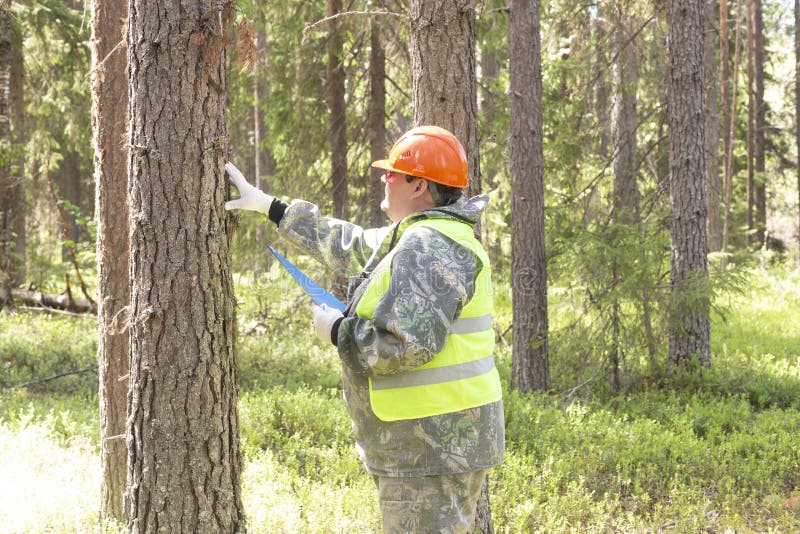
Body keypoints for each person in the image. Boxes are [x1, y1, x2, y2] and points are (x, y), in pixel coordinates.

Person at [225, 125, 504, 533]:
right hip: (434, 446)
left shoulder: (429, 246)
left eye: (392, 173)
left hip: (429, 450)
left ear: (419, 185)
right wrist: (271, 207)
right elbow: (352, 245)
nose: (383, 179)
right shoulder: (420, 235)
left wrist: (339, 330)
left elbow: (401, 347)